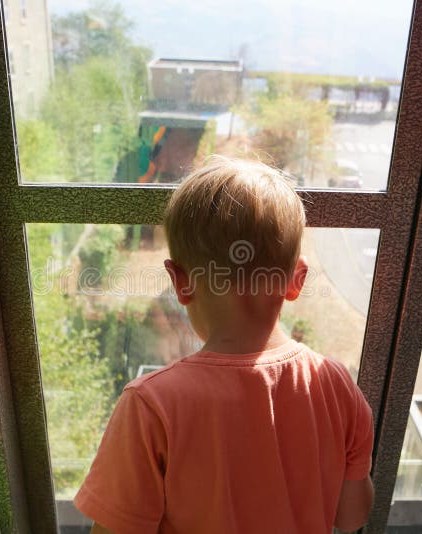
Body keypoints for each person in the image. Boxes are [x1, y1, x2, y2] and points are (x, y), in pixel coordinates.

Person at [74, 156, 374, 533]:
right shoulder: (335, 383)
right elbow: (351, 517)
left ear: (180, 282)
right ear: (297, 279)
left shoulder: (152, 406)